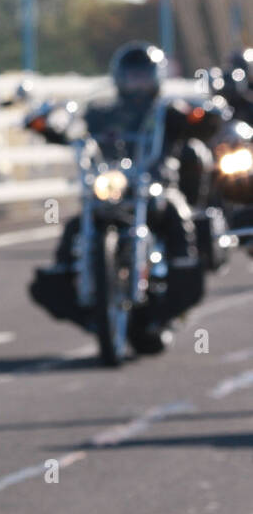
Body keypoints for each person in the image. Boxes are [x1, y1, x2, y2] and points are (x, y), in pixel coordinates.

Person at [30, 40, 213, 353]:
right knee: (77, 225)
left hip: (155, 185)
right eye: (131, 76)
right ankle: (67, 278)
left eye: (143, 76)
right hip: (114, 185)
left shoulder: (166, 111)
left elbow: (199, 120)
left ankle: (184, 268)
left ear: (156, 78)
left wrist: (200, 115)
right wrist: (49, 125)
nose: (137, 83)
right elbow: (77, 132)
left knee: (175, 211)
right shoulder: (103, 112)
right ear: (118, 77)